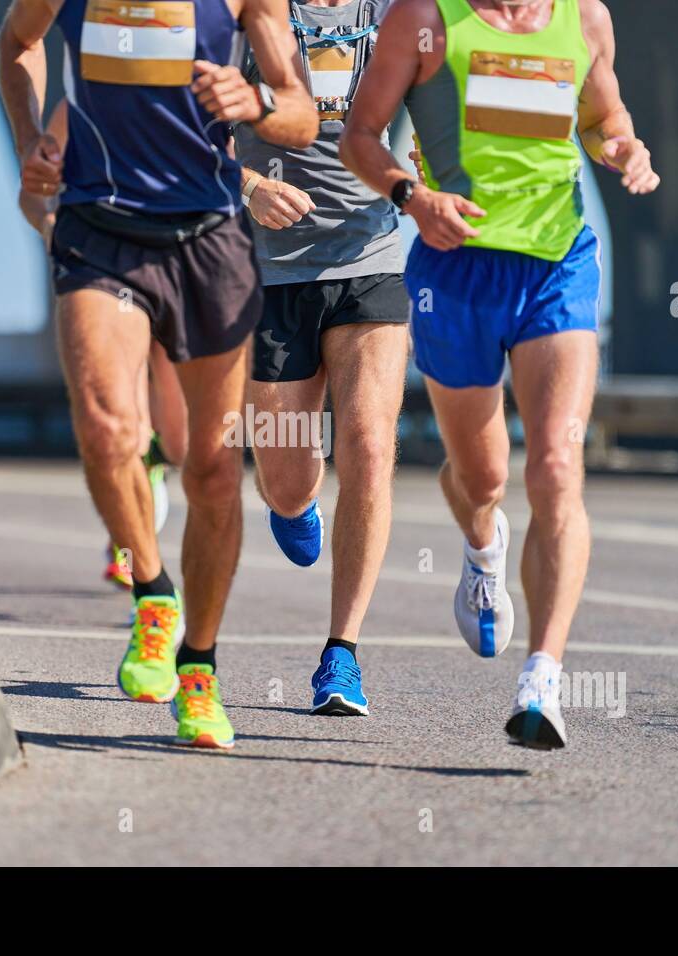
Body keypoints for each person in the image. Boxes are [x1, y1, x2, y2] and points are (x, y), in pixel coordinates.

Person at [0, 0, 317, 748]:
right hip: (99, 226)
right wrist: (30, 141)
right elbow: (18, 40)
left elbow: (300, 111)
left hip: (208, 239)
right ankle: (151, 591)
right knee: (108, 429)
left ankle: (199, 668)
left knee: (210, 469)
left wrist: (260, 103)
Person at [340, 0, 658, 748]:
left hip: (558, 266)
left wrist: (624, 149)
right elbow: (360, 137)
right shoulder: (423, 19)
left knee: (554, 466)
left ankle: (541, 679)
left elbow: (603, 117)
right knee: (483, 477)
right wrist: (412, 198)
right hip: (454, 274)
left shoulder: (583, 17)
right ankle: (483, 541)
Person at [233, 0, 409, 716]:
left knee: (369, 444)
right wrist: (248, 187)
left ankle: (342, 654)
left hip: (369, 258)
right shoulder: (249, 14)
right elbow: (185, 125)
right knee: (288, 479)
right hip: (270, 274)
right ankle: (291, 501)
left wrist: (430, 165)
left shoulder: (395, 11)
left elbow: (441, 93)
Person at [17, 102, 189, 594]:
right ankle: (141, 566)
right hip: (108, 274)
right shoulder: (81, 104)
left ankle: (154, 464)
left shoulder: (197, 87)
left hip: (183, 273)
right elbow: (32, 195)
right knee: (122, 425)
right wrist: (52, 228)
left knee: (181, 443)